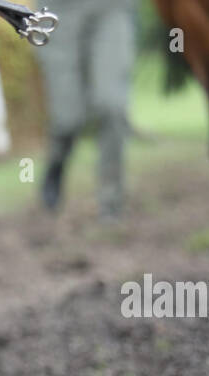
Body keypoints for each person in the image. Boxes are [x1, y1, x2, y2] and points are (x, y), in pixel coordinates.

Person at [35, 0, 138, 220]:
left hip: (110, 8)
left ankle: (111, 202)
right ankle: (56, 165)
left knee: (112, 105)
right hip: (58, 10)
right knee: (68, 117)